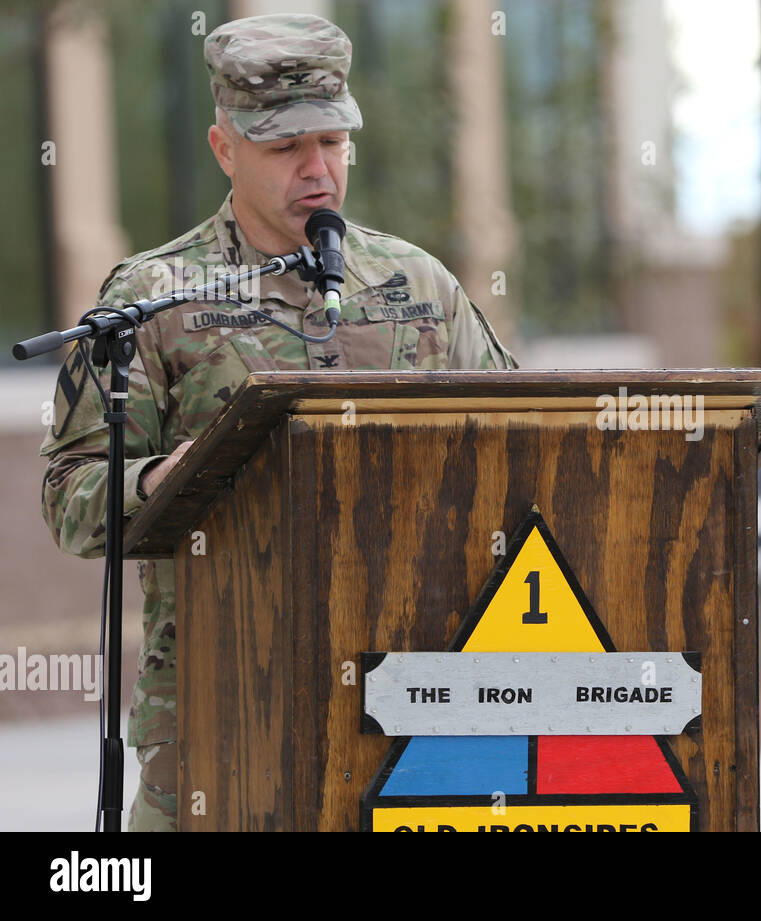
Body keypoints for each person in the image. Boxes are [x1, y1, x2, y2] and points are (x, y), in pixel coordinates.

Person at [40, 13, 518, 831]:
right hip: (214, 717)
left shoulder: (421, 286)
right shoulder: (154, 297)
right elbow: (70, 500)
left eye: (332, 142)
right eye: (285, 148)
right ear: (225, 148)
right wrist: (160, 476)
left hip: (406, 706)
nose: (318, 170)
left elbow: (523, 449)